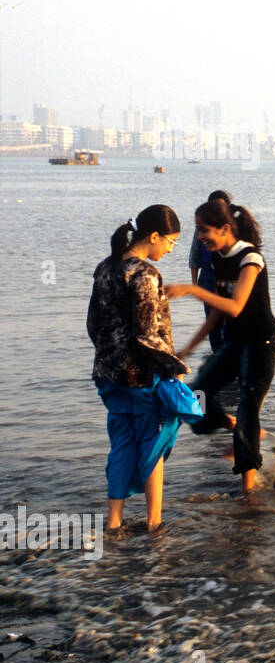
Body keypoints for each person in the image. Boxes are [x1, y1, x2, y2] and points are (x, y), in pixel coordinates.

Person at [88, 205, 203, 532]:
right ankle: (154, 523)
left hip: (109, 376)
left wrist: (109, 355)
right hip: (142, 378)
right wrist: (176, 368)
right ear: (153, 236)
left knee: (121, 444)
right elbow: (148, 334)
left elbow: (93, 324)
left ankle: (113, 522)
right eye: (170, 241)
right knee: (153, 444)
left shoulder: (105, 268)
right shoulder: (146, 275)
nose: (169, 248)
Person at [167, 201, 275, 494]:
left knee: (248, 408)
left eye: (205, 230)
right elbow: (217, 314)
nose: (201, 237)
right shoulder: (218, 258)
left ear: (225, 228)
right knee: (197, 396)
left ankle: (248, 490)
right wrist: (188, 349)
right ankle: (239, 428)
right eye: (198, 231)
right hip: (235, 342)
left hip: (260, 344)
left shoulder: (250, 257)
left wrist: (192, 289)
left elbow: (236, 305)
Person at [188, 189, 231, 353]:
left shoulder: (231, 229)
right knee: (212, 320)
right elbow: (194, 256)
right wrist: (193, 283)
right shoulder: (201, 229)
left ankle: (228, 355)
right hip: (207, 277)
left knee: (228, 320)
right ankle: (217, 354)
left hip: (227, 278)